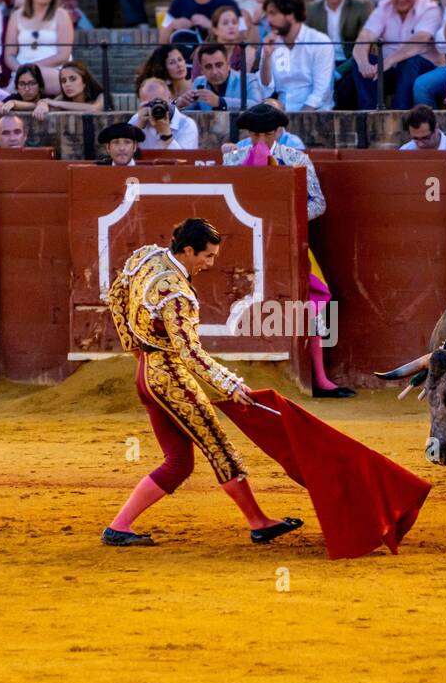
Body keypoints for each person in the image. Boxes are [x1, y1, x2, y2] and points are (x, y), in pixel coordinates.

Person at [103, 217, 305, 547]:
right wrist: (230, 386)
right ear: (187, 250)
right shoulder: (177, 295)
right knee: (220, 449)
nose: (211, 263)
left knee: (179, 463)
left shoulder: (145, 256)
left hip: (147, 374)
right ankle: (259, 522)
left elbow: (116, 297)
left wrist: (135, 350)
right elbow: (190, 353)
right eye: (207, 256)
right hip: (170, 379)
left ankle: (119, 526)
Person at [222, 103, 350, 399]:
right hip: (245, 248)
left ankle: (319, 377)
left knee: (314, 300)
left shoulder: (296, 158)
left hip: (289, 246)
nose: (261, 142)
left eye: (267, 134)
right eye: (254, 135)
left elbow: (319, 203)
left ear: (279, 131)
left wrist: (285, 217)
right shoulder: (232, 160)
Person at [350, 0, 442, 110]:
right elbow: (365, 36)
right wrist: (363, 63)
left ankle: (399, 113)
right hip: (391, 70)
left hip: (424, 70)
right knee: (357, 61)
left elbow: (419, 40)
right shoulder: (384, 7)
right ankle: (369, 113)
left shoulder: (430, 8)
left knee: (410, 61)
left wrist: (388, 61)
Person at [259, 0, 335, 111]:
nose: (268, 20)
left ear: (290, 14)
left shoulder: (320, 41)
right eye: (267, 14)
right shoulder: (271, 42)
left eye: (273, 13)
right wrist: (266, 56)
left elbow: (321, 93)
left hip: (316, 113)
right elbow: (266, 88)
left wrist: (299, 119)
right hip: (281, 112)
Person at [306, 0, 372, 100]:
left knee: (346, 87)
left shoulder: (362, 7)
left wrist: (338, 72)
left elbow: (367, 48)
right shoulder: (311, 10)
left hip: (351, 63)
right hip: (321, 64)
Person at [2, 0, 75, 91]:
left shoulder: (61, 15)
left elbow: (64, 55)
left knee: (32, 82)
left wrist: (32, 69)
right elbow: (9, 55)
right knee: (22, 84)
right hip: (21, 71)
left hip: (54, 71)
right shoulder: (16, 16)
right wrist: (21, 70)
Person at [178, 42, 262, 110]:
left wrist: (220, 102)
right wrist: (179, 103)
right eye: (208, 67)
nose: (214, 72)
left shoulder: (248, 79)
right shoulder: (199, 82)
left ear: (228, 64)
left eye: (219, 65)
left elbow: (257, 106)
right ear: (202, 70)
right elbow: (188, 110)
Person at [129, 76, 200, 149]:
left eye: (160, 102)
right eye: (150, 104)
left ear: (169, 97)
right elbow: (124, 156)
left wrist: (166, 135)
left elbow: (185, 159)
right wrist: (136, 130)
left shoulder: (186, 124)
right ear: (142, 103)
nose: (156, 108)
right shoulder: (137, 120)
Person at [32, 59, 104, 116]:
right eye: (63, 81)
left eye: (73, 79)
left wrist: (57, 103)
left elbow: (95, 109)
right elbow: (47, 102)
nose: (67, 84)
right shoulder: (63, 97)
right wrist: (43, 104)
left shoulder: (101, 95)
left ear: (84, 82)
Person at [228, 96, 304, 149]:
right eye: (256, 134)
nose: (261, 140)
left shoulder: (294, 143)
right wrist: (230, 150)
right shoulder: (244, 144)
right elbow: (233, 156)